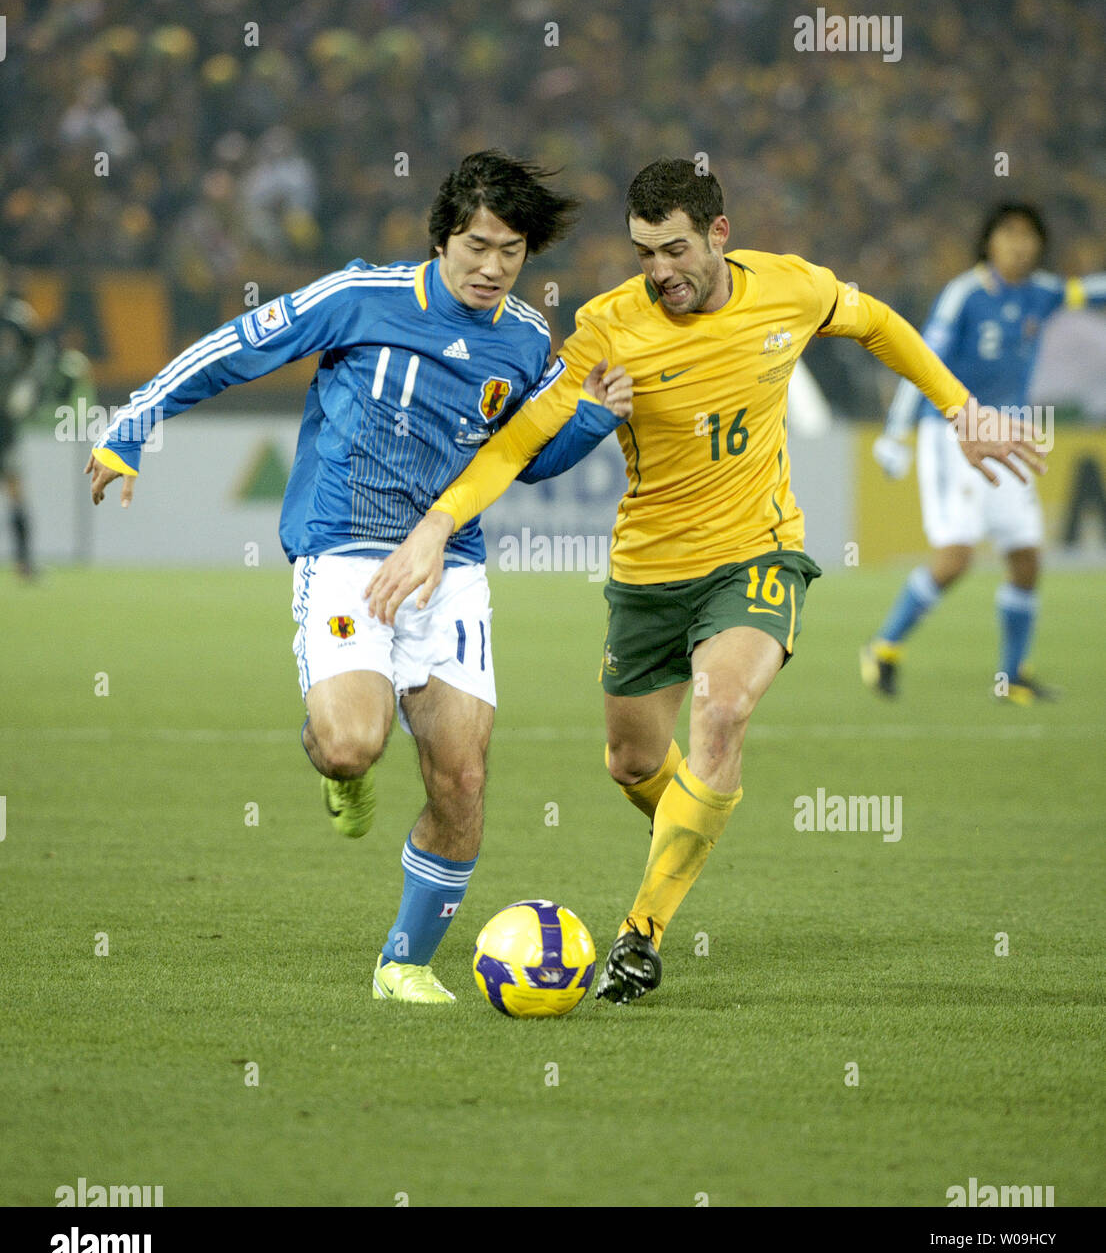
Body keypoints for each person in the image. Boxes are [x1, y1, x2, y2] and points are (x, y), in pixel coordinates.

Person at [365, 158, 1045, 1005]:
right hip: (648, 573)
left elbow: (878, 325)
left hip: (758, 555)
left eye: (676, 250)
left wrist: (959, 407)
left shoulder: (790, 290)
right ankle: (693, 825)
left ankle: (639, 935)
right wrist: (437, 525)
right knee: (630, 760)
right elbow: (516, 443)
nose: (661, 272)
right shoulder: (609, 325)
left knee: (723, 709)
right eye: (645, 253)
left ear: (719, 235)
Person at [86, 150, 632, 1005]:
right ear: (443, 238)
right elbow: (238, 349)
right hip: (343, 549)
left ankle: (403, 964)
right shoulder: (359, 297)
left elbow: (527, 458)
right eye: (478, 246)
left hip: (448, 564)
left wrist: (596, 414)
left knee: (463, 776)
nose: (493, 267)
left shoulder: (527, 338)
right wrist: (134, 421)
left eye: (512, 251)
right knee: (350, 745)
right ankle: (342, 770)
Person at [862, 202, 1106, 705]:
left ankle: (1012, 675)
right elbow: (920, 358)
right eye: (1008, 233)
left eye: (1028, 235)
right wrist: (895, 431)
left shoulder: (1044, 292)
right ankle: (883, 647)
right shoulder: (964, 296)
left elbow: (1091, 292)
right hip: (955, 434)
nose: (1019, 244)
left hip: (1010, 435)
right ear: (989, 242)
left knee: (1026, 556)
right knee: (955, 558)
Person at [0, 258, 63, 578]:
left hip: (4, 419)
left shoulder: (18, 319)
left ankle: (24, 562)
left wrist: (27, 389)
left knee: (14, 486)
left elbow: (42, 357)